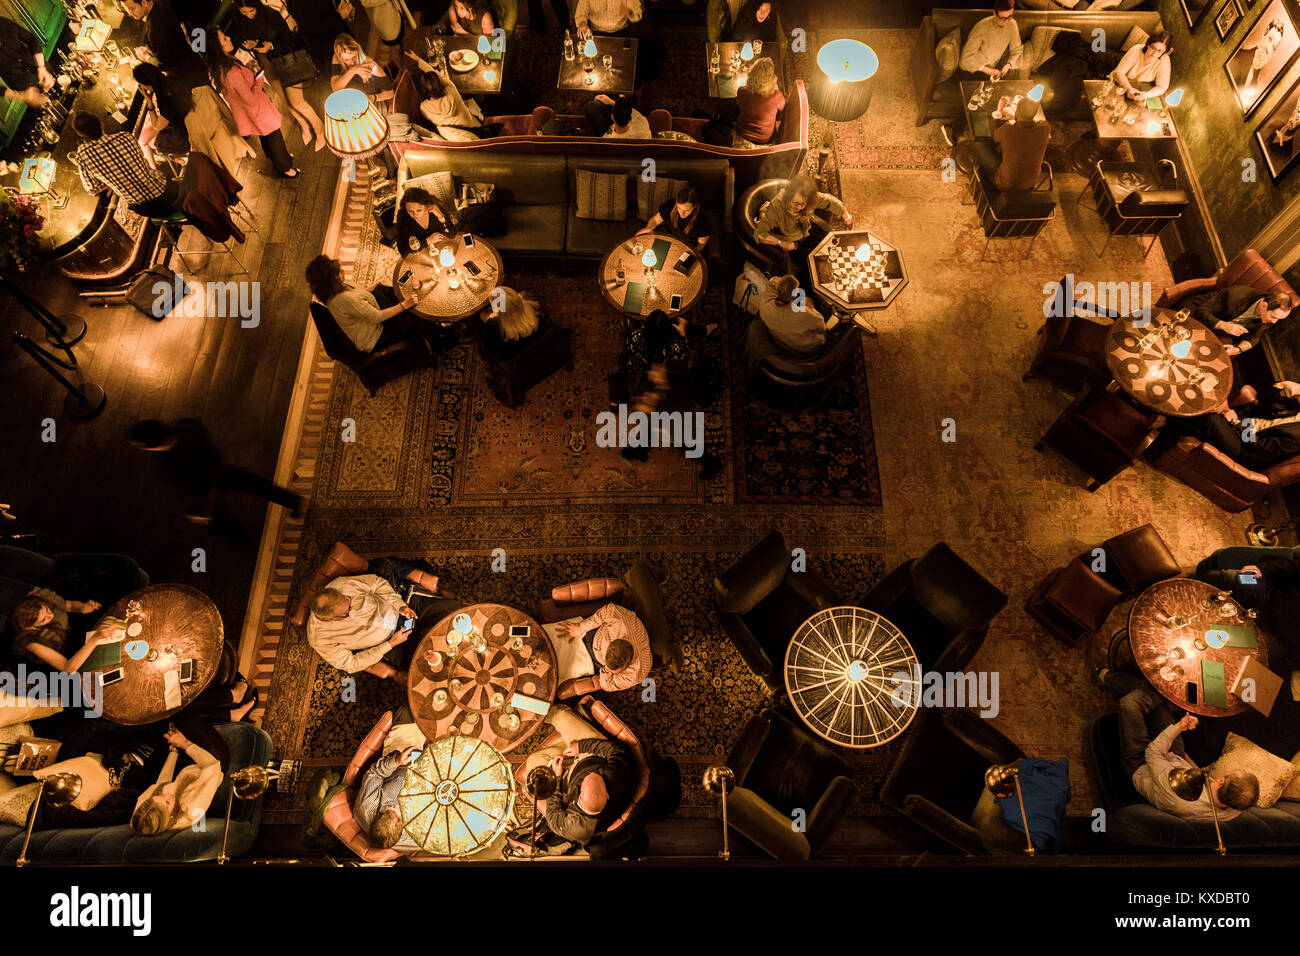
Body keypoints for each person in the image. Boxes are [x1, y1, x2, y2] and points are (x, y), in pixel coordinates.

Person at [1099, 673, 1259, 822]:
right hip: (1178, 761)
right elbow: (1234, 793)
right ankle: (1118, 678)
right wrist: (1185, 757)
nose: (1238, 769)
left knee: (1130, 704)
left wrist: (1179, 727)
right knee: (1160, 697)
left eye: (1236, 772)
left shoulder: (1179, 791)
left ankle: (1106, 676)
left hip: (1143, 766)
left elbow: (1152, 754)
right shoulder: (1233, 806)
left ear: (1221, 780)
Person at [127, 417, 304, 528]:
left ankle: (242, 540)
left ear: (152, 446)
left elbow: (183, 485)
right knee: (258, 486)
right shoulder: (186, 425)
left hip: (206, 487)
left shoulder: (172, 462)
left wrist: (200, 506)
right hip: (220, 472)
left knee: (220, 521)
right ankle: (294, 501)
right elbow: (213, 452)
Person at [523, 702, 638, 846]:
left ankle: (572, 730)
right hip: (591, 753)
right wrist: (580, 746)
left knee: (533, 762)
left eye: (586, 780)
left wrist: (557, 778)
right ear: (607, 794)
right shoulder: (616, 775)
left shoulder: (577, 828)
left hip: (568, 776)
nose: (589, 774)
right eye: (596, 775)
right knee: (560, 715)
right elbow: (615, 750)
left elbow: (553, 817)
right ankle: (536, 710)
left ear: (580, 799)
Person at [305, 254, 456, 355]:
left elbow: (357, 300)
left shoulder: (338, 287)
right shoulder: (342, 300)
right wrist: (405, 304)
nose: (342, 271)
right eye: (337, 273)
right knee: (413, 319)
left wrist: (367, 289)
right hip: (376, 335)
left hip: (372, 314)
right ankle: (440, 342)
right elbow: (377, 317)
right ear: (331, 281)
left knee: (387, 291)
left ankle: (435, 327)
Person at [227, 0, 327, 151]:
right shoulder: (240, 21)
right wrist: (250, 45)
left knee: (297, 102)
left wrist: (271, 46)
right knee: (286, 101)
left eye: (251, 11)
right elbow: (241, 41)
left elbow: (289, 41)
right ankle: (303, 125)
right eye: (244, 12)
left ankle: (320, 130)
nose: (249, 15)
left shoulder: (271, 15)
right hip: (267, 65)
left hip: (285, 61)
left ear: (257, 5)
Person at [304, 564, 433, 679]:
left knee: (446, 620)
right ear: (329, 619)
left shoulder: (341, 585)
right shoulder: (319, 639)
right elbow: (350, 664)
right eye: (347, 611)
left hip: (401, 610)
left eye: (348, 600)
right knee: (427, 667)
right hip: (390, 645)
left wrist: (400, 606)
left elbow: (378, 583)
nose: (352, 607)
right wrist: (390, 644)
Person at [204, 29, 300, 178]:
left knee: (267, 138)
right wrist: (258, 79)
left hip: (252, 114)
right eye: (224, 39)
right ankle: (286, 167)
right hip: (258, 112)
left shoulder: (221, 67)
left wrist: (247, 70)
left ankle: (280, 160)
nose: (228, 38)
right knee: (275, 138)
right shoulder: (231, 73)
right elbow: (250, 99)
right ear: (217, 47)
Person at [1165, 380, 1300, 471]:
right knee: (1217, 394)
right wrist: (1282, 384)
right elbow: (1263, 399)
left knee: (1210, 418)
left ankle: (1166, 424)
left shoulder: (1296, 437)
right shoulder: (1295, 406)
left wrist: (1236, 422)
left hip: (1244, 449)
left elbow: (1257, 446)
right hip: (1245, 422)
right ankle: (1171, 419)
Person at [72, 112, 181, 217]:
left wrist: (111, 181)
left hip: (146, 209)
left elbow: (92, 189)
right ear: (101, 123)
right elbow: (141, 161)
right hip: (169, 191)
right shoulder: (126, 137)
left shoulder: (83, 154)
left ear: (80, 134)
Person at [130, 721, 225, 835]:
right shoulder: (192, 808)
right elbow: (213, 766)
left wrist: (174, 750)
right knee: (184, 718)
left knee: (164, 726)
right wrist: (185, 743)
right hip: (213, 764)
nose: (168, 795)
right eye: (167, 802)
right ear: (168, 818)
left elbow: (162, 784)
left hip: (187, 771)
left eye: (159, 796)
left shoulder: (144, 811)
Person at [753, 174, 852, 280]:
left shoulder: (809, 198)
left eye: (803, 204)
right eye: (796, 203)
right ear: (788, 196)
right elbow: (759, 234)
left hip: (806, 231)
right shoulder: (776, 207)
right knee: (811, 271)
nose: (800, 207)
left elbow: (829, 201)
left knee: (832, 244)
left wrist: (846, 215)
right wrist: (780, 243)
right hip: (792, 243)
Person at [552, 603, 653, 694]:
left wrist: (606, 670)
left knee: (557, 670)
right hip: (594, 635)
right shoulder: (622, 620)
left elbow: (607, 686)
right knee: (555, 635)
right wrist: (581, 627)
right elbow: (608, 610)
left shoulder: (636, 673)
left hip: (594, 661)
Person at [743, 260, 830, 356]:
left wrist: (775, 280)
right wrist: (810, 307)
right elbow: (822, 327)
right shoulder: (804, 313)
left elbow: (770, 285)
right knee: (822, 337)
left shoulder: (765, 300)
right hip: (802, 349)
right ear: (794, 295)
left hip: (779, 339)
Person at [9, 600, 121, 673]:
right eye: (44, 619)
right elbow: (67, 668)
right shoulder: (31, 643)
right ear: (31, 628)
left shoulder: (41, 602)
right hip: (62, 662)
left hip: (72, 637)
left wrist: (83, 607)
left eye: (47, 610)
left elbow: (70, 605)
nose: (51, 615)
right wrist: (95, 639)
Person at [120, 0, 209, 91]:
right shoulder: (162, 3)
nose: (130, 14)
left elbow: (164, 65)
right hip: (193, 57)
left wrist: (146, 57)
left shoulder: (154, 33)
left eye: (132, 9)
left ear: (144, 2)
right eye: (127, 10)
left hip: (187, 74)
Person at [973, 95, 1050, 192]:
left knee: (979, 143)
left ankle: (983, 174)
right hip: (1029, 184)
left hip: (1004, 184)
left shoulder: (1008, 129)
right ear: (1035, 113)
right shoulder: (1045, 129)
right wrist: (1016, 117)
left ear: (1017, 111)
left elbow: (995, 137)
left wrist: (995, 119)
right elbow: (1040, 123)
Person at [354, 743, 419, 849]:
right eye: (399, 812)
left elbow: (375, 773)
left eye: (391, 807)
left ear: (378, 814)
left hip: (404, 768)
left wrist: (397, 761)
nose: (398, 806)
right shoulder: (413, 838)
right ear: (403, 830)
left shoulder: (366, 805)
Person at [131, 63, 193, 169]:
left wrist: (150, 104)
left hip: (183, 135)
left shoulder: (166, 100)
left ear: (147, 85)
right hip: (185, 119)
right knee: (146, 138)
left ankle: (167, 161)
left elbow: (157, 126)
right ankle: (173, 159)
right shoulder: (169, 80)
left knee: (149, 142)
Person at [957, 0, 1022, 81]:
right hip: (972, 70)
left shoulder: (1012, 24)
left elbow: (1017, 49)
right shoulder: (982, 27)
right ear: (994, 13)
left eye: (1010, 17)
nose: (1007, 22)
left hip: (991, 70)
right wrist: (987, 70)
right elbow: (965, 59)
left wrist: (1008, 65)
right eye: (1002, 18)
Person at [414, 61, 483, 136]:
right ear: (440, 82)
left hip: (457, 136)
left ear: (424, 90)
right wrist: (418, 60)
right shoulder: (451, 90)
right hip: (475, 127)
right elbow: (441, 76)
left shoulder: (424, 107)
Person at [479, 286, 550, 358]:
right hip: (540, 342)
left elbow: (490, 348)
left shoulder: (493, 329)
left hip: (514, 356)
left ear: (499, 312)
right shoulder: (534, 306)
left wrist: (489, 319)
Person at [0, 15, 55, 108]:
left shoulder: (2, 22)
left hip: (40, 67)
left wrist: (41, 68)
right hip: (26, 89)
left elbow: (31, 39)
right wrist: (22, 96)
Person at [638, 184, 711, 253]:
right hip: (667, 240)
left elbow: (701, 244)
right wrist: (648, 228)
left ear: (694, 206)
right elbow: (655, 220)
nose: (681, 214)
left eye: (686, 210)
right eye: (679, 208)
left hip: (686, 247)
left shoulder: (703, 220)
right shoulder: (670, 205)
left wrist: (689, 255)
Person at [735, 56, 785, 145]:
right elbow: (782, 108)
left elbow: (739, 106)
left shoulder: (742, 91)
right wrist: (775, 87)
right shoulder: (777, 97)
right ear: (771, 77)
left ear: (751, 73)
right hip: (765, 138)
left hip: (743, 132)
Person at [1110, 31, 1172, 102]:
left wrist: (1146, 95)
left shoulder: (1165, 60)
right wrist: (1128, 89)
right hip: (1119, 85)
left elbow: (1162, 87)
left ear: (1164, 52)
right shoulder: (1136, 49)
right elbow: (1119, 72)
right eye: (1153, 48)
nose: (1154, 54)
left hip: (1140, 92)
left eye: (1159, 51)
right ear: (1148, 44)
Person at [331, 33, 395, 101]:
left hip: (371, 102)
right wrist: (353, 70)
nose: (352, 62)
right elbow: (336, 88)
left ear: (357, 51)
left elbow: (390, 93)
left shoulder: (371, 65)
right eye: (346, 60)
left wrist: (373, 97)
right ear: (340, 57)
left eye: (354, 57)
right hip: (351, 99)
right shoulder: (337, 59)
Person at [1229, 16, 1285, 92]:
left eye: (1273, 46)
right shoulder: (1237, 57)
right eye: (1270, 39)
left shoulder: (1255, 83)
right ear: (1265, 32)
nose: (1268, 49)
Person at [396, 186, 456, 252]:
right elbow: (402, 250)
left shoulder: (435, 208)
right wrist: (427, 241)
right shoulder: (403, 216)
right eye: (410, 211)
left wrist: (441, 216)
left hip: (442, 250)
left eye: (419, 210)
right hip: (421, 255)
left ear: (427, 205)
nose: (415, 215)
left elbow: (451, 235)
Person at [338, 0, 406, 53]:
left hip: (390, 16)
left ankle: (400, 65)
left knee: (396, 43)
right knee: (394, 45)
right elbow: (366, 2)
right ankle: (399, 66)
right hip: (385, 18)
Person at [584, 93, 650, 138]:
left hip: (611, 135)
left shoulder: (608, 138)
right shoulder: (643, 124)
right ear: (630, 118)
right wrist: (611, 102)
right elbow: (634, 112)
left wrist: (611, 129)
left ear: (612, 117)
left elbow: (607, 134)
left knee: (589, 107)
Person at [575, 0, 641, 39]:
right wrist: (582, 23)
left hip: (621, 31)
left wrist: (630, 13)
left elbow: (637, 14)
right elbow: (581, 13)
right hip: (596, 32)